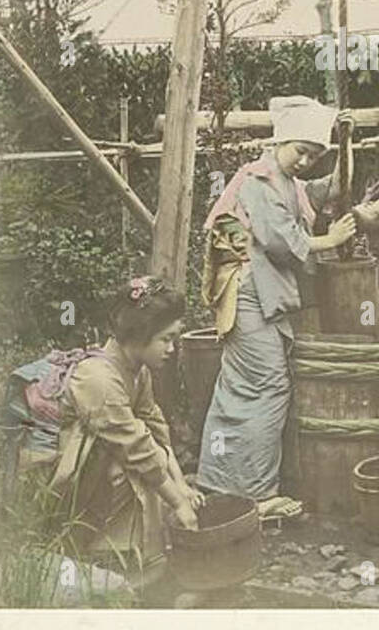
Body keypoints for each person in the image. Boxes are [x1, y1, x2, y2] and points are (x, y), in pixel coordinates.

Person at [198, 96, 357, 521]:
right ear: (281, 140)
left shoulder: (288, 182)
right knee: (266, 387)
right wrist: (332, 240)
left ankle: (220, 479)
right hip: (249, 293)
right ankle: (257, 493)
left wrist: (347, 142)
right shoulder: (260, 181)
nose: (305, 160)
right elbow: (282, 243)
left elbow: (336, 188)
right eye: (300, 150)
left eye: (314, 155)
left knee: (240, 387)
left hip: (258, 295)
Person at [46, 276, 203, 589]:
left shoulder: (136, 369)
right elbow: (136, 448)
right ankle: (100, 553)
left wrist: (182, 484)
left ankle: (146, 558)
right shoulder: (98, 377)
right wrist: (178, 503)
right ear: (140, 335)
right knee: (131, 468)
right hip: (69, 471)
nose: (172, 349)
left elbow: (155, 427)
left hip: (111, 454)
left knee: (151, 456)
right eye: (166, 339)